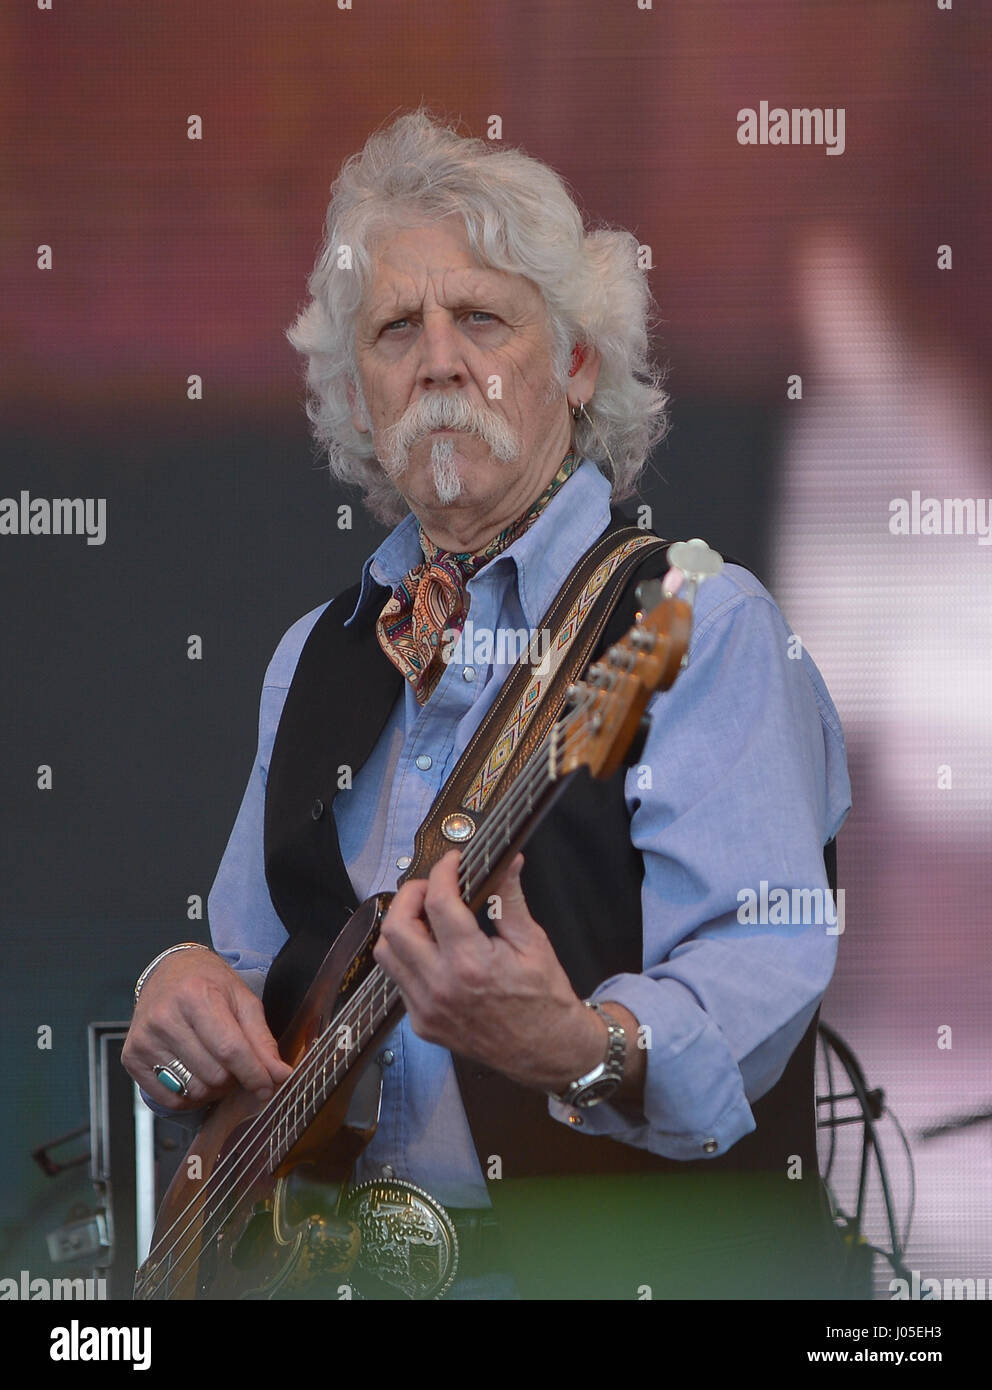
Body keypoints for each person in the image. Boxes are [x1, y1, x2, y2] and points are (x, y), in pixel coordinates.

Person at [122, 111, 851, 1300]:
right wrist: (175, 991)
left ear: (574, 366)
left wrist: (577, 1045)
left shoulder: (693, 623)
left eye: (483, 318)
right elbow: (252, 982)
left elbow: (752, 980)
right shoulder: (315, 651)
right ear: (358, 399)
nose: (440, 360)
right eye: (395, 329)